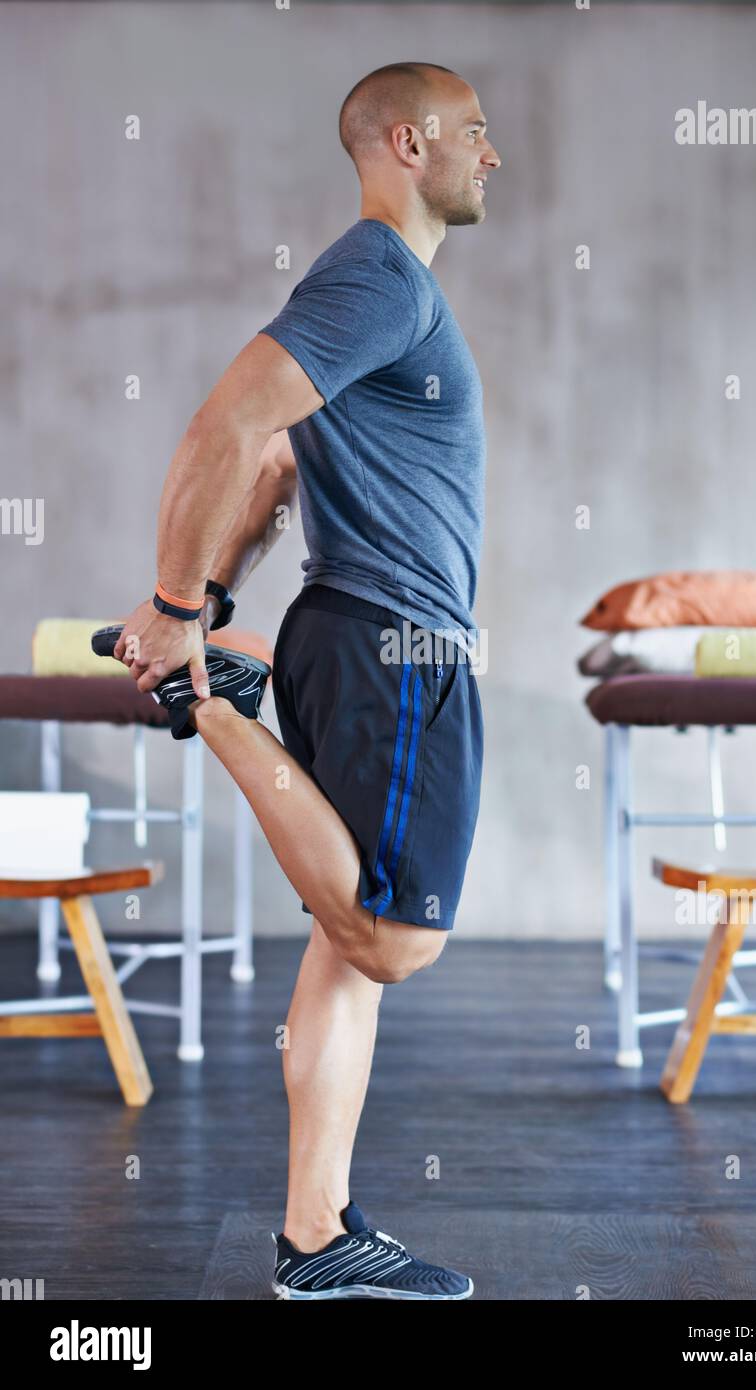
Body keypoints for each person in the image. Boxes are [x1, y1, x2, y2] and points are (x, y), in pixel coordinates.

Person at [107, 61, 500, 1300]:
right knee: (391, 940)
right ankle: (214, 699)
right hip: (395, 641)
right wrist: (179, 616)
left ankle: (315, 1235)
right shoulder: (381, 274)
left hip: (362, 628)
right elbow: (226, 427)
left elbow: (275, 461)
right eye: (476, 134)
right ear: (410, 139)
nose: (493, 156)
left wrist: (210, 596)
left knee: (342, 950)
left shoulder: (377, 291)